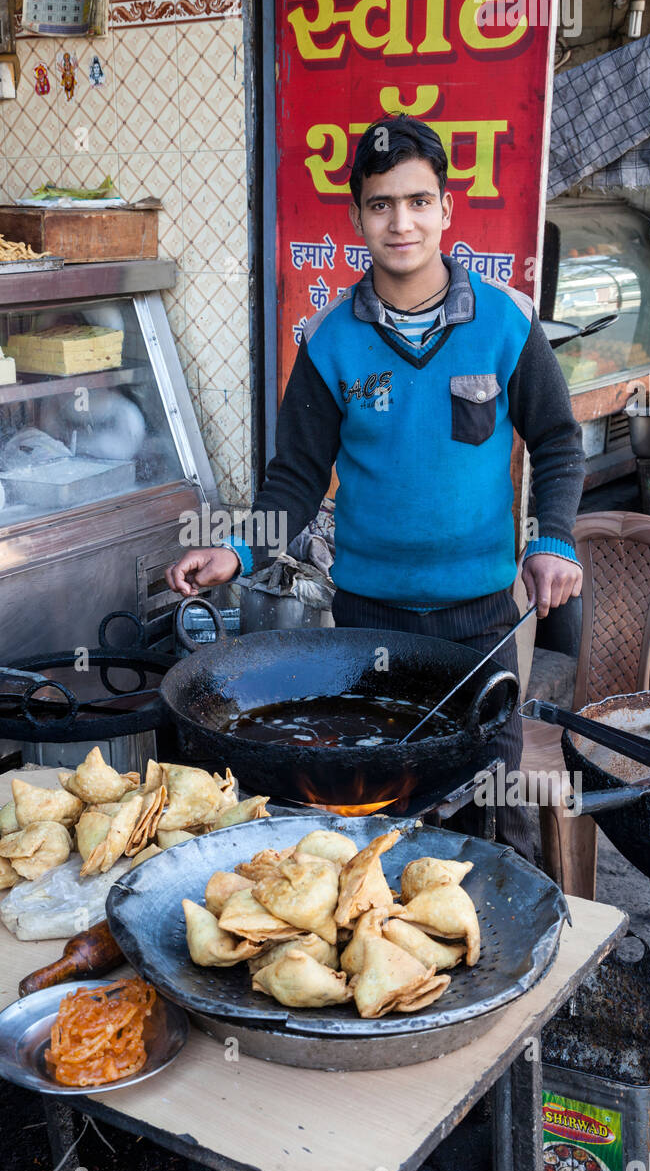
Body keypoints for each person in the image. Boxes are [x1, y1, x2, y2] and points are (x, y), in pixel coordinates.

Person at [166, 114, 585, 857]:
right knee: (382, 814)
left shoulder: (504, 322)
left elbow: (556, 439)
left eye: (420, 202)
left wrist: (551, 540)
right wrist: (235, 547)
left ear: (447, 211)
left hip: (483, 621)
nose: (402, 222)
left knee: (494, 809)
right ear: (358, 214)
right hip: (366, 629)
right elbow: (294, 475)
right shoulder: (331, 340)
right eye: (383, 204)